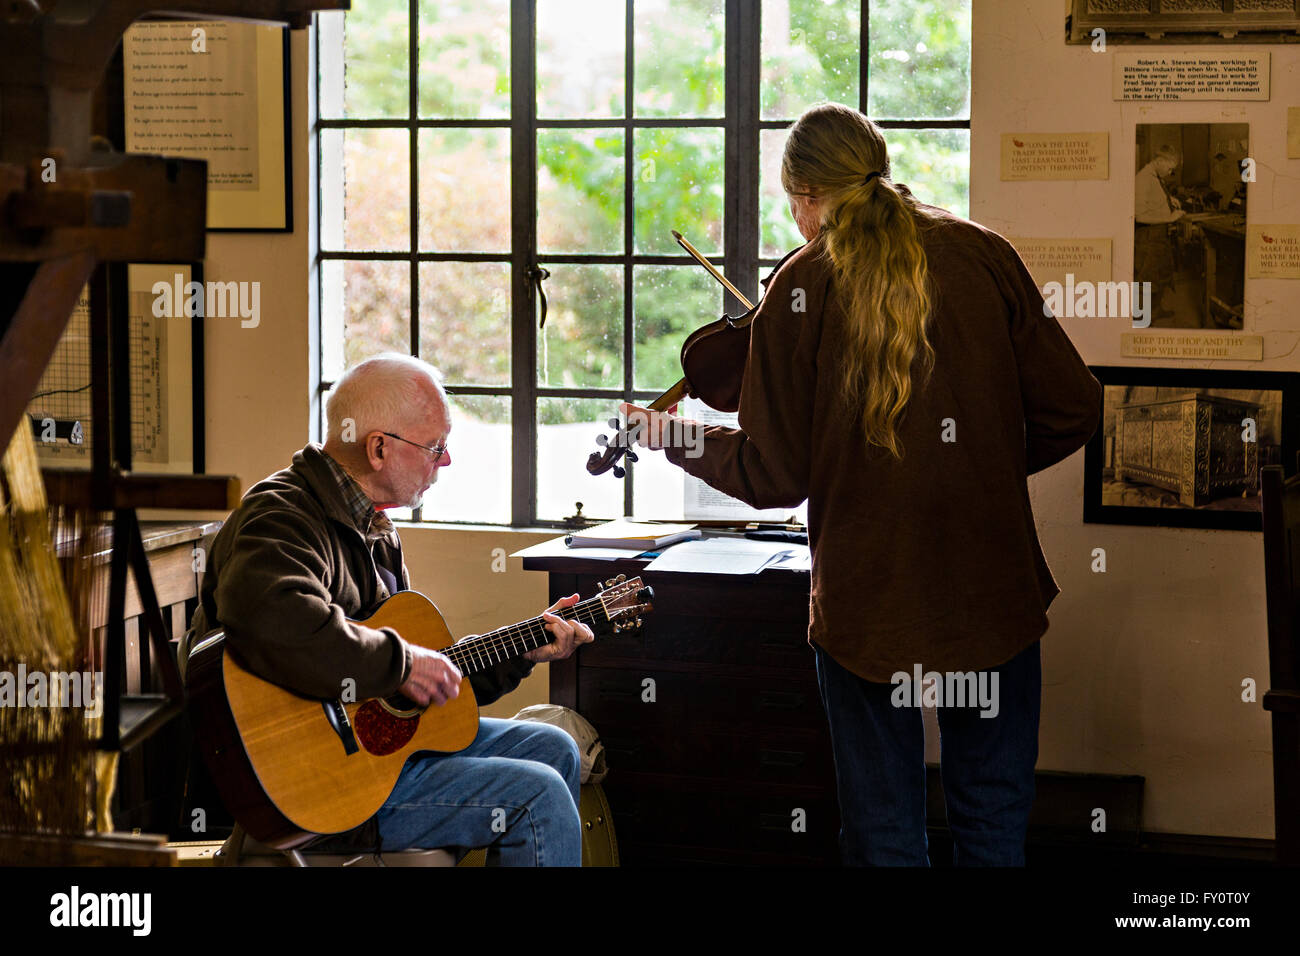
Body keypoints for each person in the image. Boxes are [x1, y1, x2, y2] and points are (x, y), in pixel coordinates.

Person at [623, 103, 1101, 866]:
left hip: (867, 605)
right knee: (994, 819)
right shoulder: (983, 253)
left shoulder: (801, 284)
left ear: (804, 195)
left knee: (883, 836)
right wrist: (977, 464)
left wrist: (668, 433)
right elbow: (1074, 407)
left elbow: (772, 473)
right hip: (993, 592)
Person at [182, 353, 591, 866]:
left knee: (556, 748)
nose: (445, 462)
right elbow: (275, 621)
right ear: (379, 447)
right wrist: (403, 664)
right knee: (537, 794)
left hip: (373, 761)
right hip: (308, 782)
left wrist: (521, 652)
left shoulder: (375, 529)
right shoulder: (280, 514)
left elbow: (416, 691)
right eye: (436, 447)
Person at [1134, 145, 1185, 321]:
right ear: (1159, 161)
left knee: (1161, 276)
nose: (1171, 172)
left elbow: (1153, 199)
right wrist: (1169, 219)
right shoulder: (1143, 179)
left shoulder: (1155, 176)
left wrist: (1169, 200)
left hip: (1159, 236)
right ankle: (1141, 320)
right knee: (1146, 280)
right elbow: (1139, 216)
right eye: (1169, 168)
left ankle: (1155, 310)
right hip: (1148, 237)